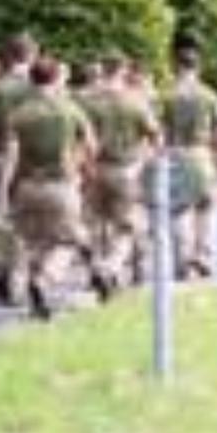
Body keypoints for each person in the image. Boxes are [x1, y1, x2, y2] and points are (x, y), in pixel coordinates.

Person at [2, 56, 95, 319]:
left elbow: (11, 156)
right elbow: (91, 146)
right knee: (67, 242)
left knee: (31, 242)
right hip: (61, 186)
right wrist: (80, 168)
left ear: (32, 79)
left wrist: (6, 188)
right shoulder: (70, 109)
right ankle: (43, 279)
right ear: (56, 79)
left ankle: (24, 292)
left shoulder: (19, 114)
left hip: (27, 187)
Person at [83, 51, 160, 298]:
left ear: (103, 68)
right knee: (127, 227)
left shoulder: (86, 100)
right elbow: (156, 135)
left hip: (93, 169)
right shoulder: (135, 101)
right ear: (124, 70)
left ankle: (96, 266)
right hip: (126, 169)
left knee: (94, 224)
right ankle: (112, 267)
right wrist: (147, 159)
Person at [162, 44, 217, 279]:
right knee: (206, 206)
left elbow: (156, 133)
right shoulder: (210, 96)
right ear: (198, 66)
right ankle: (202, 256)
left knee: (179, 210)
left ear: (175, 66)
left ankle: (182, 260)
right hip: (200, 154)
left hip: (174, 154)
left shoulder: (166, 95)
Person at [0, 32, 39, 303]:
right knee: (25, 218)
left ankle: (0, 271)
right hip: (28, 157)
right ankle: (18, 277)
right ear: (32, 55)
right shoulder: (35, 87)